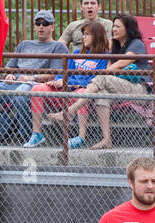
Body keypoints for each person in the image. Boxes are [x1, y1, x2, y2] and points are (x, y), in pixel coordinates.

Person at [0, 10, 68, 145]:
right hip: (12, 83)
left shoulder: (58, 47)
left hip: (34, 85)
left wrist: (30, 78)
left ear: (52, 27)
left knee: (20, 95)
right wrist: (9, 74)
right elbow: (9, 67)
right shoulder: (24, 44)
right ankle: (4, 126)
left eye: (45, 24)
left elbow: (54, 73)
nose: (41, 27)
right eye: (38, 23)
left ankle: (26, 135)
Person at [24, 20, 111, 148]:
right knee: (38, 88)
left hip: (80, 93)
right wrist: (58, 80)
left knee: (83, 93)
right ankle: (37, 134)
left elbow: (94, 81)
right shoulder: (76, 54)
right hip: (65, 89)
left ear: (97, 36)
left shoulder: (104, 57)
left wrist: (68, 82)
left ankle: (81, 137)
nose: (83, 37)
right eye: (83, 34)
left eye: (87, 34)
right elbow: (64, 72)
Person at [71, 13, 150, 149]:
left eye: (118, 26)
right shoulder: (115, 46)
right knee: (101, 94)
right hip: (119, 87)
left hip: (139, 89)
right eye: (113, 26)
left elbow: (119, 65)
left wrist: (101, 75)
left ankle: (70, 111)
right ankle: (107, 139)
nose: (113, 29)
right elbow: (101, 49)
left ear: (128, 29)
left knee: (102, 79)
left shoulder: (137, 44)